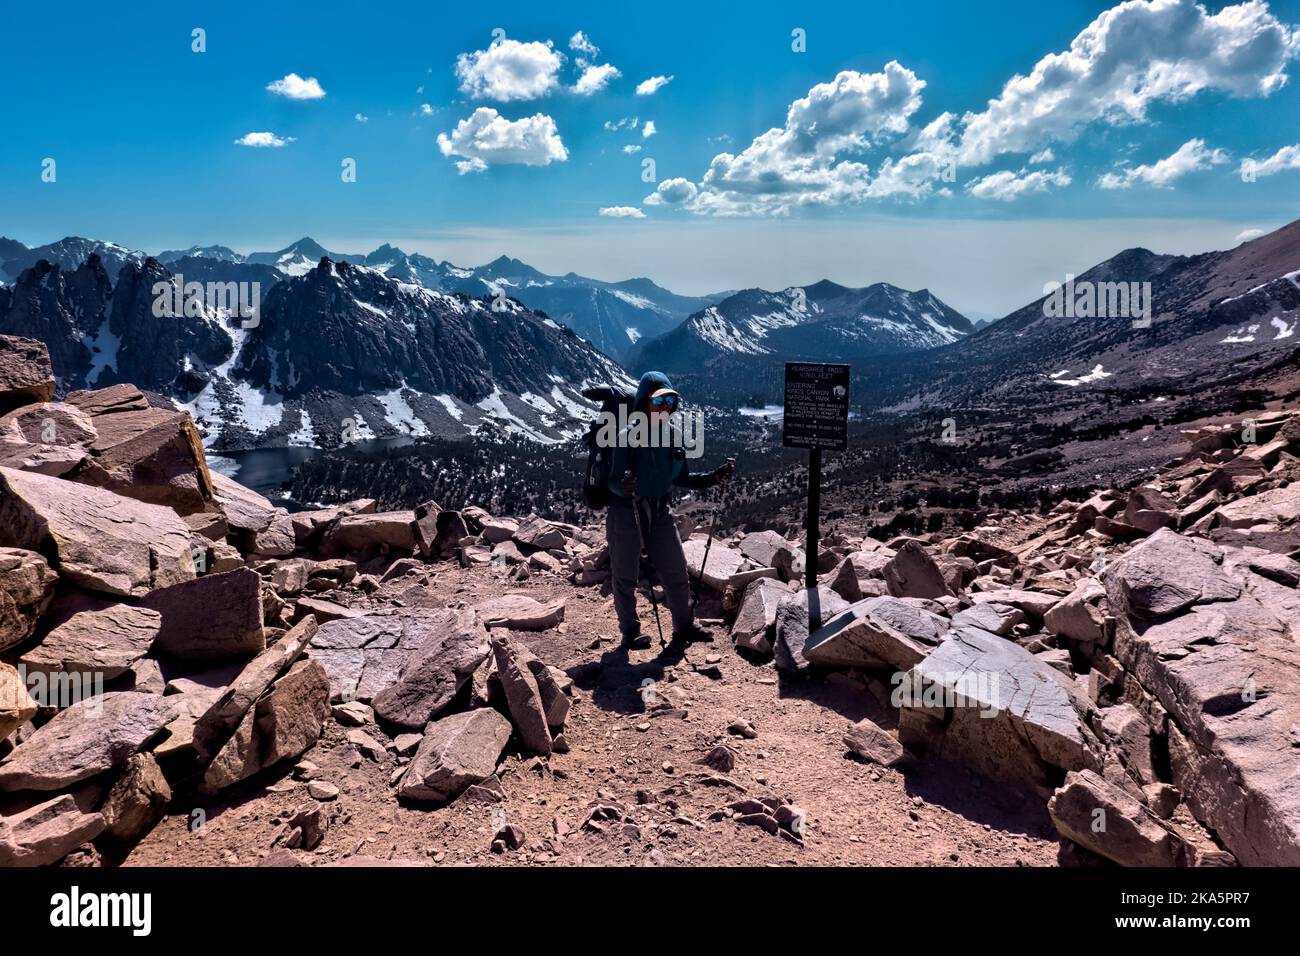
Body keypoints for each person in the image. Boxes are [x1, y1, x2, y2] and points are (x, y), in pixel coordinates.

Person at [607, 371, 735, 649]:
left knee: (676, 570)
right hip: (626, 511)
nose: (665, 406)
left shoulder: (673, 435)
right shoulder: (625, 436)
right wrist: (624, 487)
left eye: (670, 400)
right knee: (625, 574)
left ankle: (684, 626)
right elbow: (612, 482)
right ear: (644, 402)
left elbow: (681, 477)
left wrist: (714, 477)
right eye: (658, 400)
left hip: (660, 509)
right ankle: (630, 632)